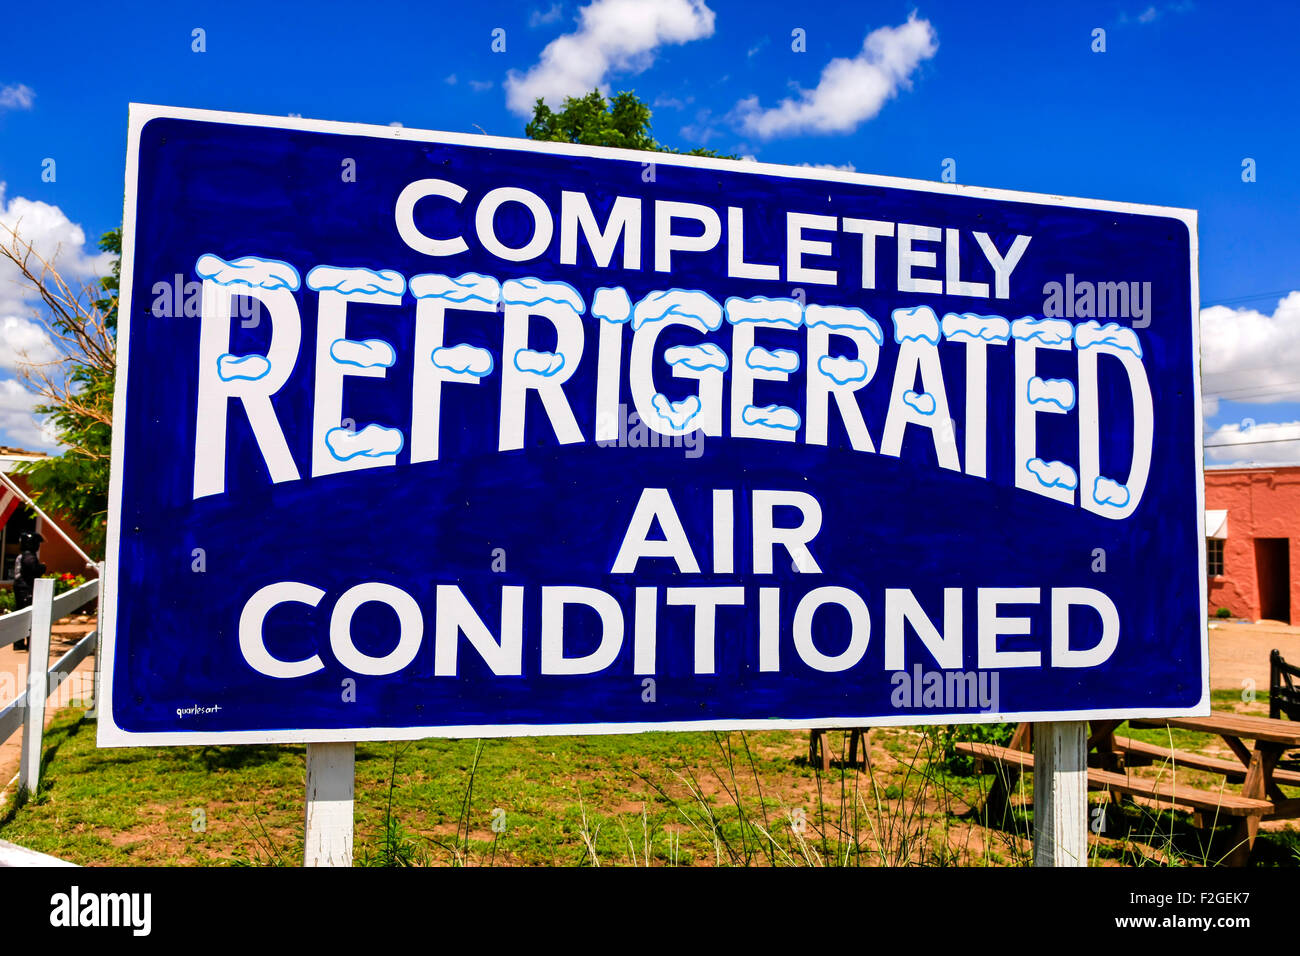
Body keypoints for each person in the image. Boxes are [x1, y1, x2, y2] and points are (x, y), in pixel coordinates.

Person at [11, 531, 45, 651]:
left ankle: (19, 642)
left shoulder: (23, 556)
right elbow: (33, 570)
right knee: (28, 616)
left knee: (22, 615)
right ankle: (27, 643)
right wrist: (42, 568)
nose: (38, 546)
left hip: (21, 588)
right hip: (25, 589)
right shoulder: (29, 557)